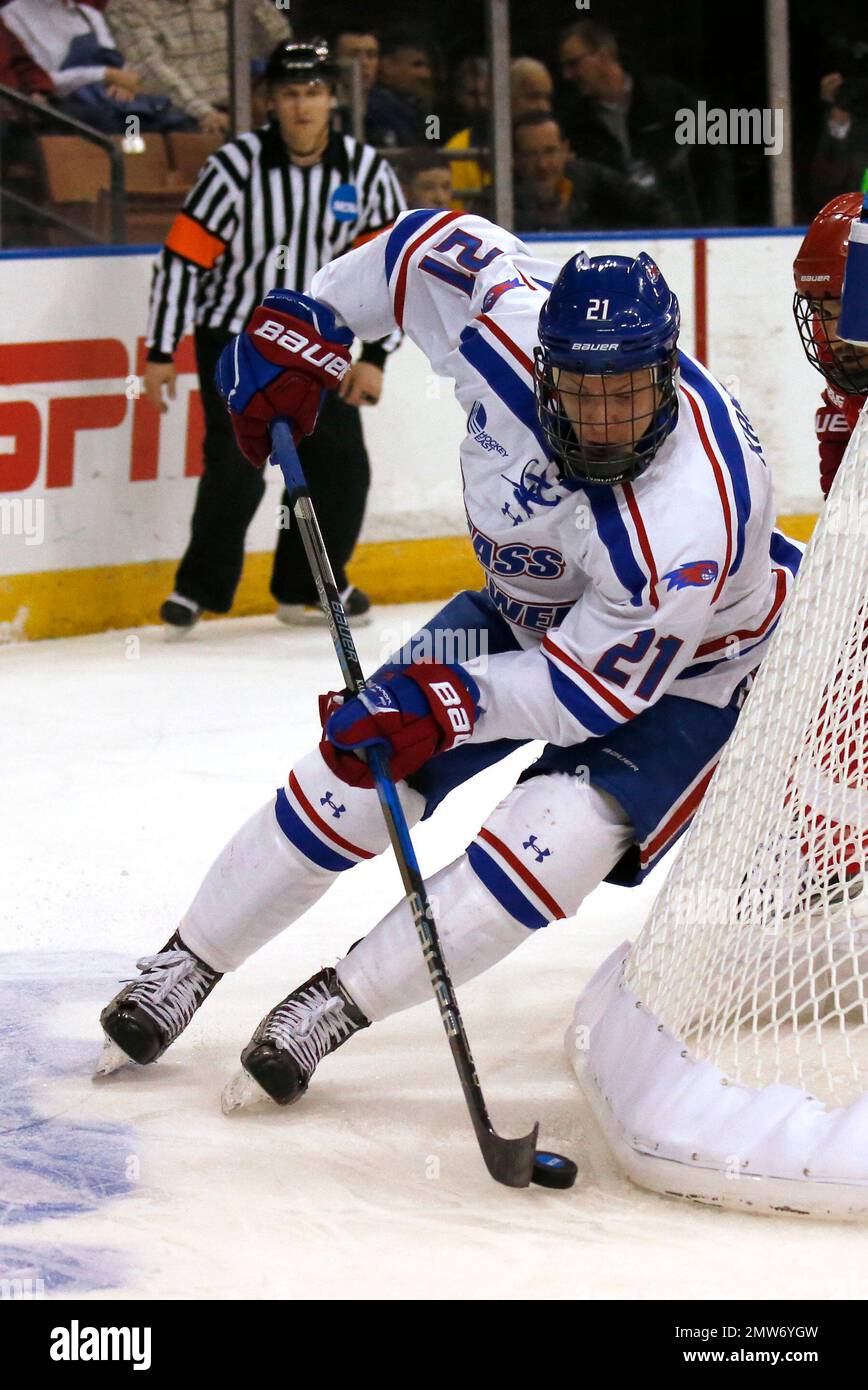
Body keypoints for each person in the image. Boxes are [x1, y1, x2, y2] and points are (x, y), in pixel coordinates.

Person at [97, 208, 803, 1117]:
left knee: (556, 840)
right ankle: (186, 963)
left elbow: (586, 692)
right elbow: (410, 253)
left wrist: (452, 702)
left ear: (666, 376)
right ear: (542, 366)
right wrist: (312, 322)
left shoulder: (688, 518)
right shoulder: (502, 323)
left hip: (693, 669)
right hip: (520, 614)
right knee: (357, 764)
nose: (602, 417)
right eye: (581, 389)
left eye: (628, 391)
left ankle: (333, 1006)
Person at [143, 40, 405, 632]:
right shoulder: (234, 168)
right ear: (270, 101)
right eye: (290, 93)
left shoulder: (367, 174)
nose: (303, 106)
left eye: (313, 92)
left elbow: (390, 273)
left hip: (319, 345)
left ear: (333, 98)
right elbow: (183, 260)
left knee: (342, 466)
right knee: (236, 464)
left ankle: (306, 587)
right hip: (238, 336)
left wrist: (377, 357)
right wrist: (160, 351)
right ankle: (197, 590)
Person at [555, 17, 735, 227]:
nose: (567, 75)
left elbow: (714, 163)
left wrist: (719, 226)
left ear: (604, 53)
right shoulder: (575, 124)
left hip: (681, 233)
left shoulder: (670, 100)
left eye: (574, 63)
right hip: (618, 242)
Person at [105, 0, 290, 136]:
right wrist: (204, 112)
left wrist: (252, 4)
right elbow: (149, 68)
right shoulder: (128, 6)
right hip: (177, 114)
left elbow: (277, 44)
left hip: (239, 111)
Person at [793, 191, 868, 499]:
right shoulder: (832, 346)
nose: (836, 336)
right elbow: (837, 419)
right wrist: (837, 508)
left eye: (849, 311)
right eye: (822, 312)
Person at [513, 110, 662, 232]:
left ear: (565, 149)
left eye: (550, 151)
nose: (543, 165)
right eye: (530, 154)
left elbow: (654, 208)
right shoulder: (499, 197)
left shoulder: (592, 180)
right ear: (515, 158)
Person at [365, 29, 435, 148]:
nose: (426, 74)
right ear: (387, 67)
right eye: (417, 65)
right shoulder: (373, 110)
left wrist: (430, 110)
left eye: (427, 66)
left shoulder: (426, 112)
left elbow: (433, 144)